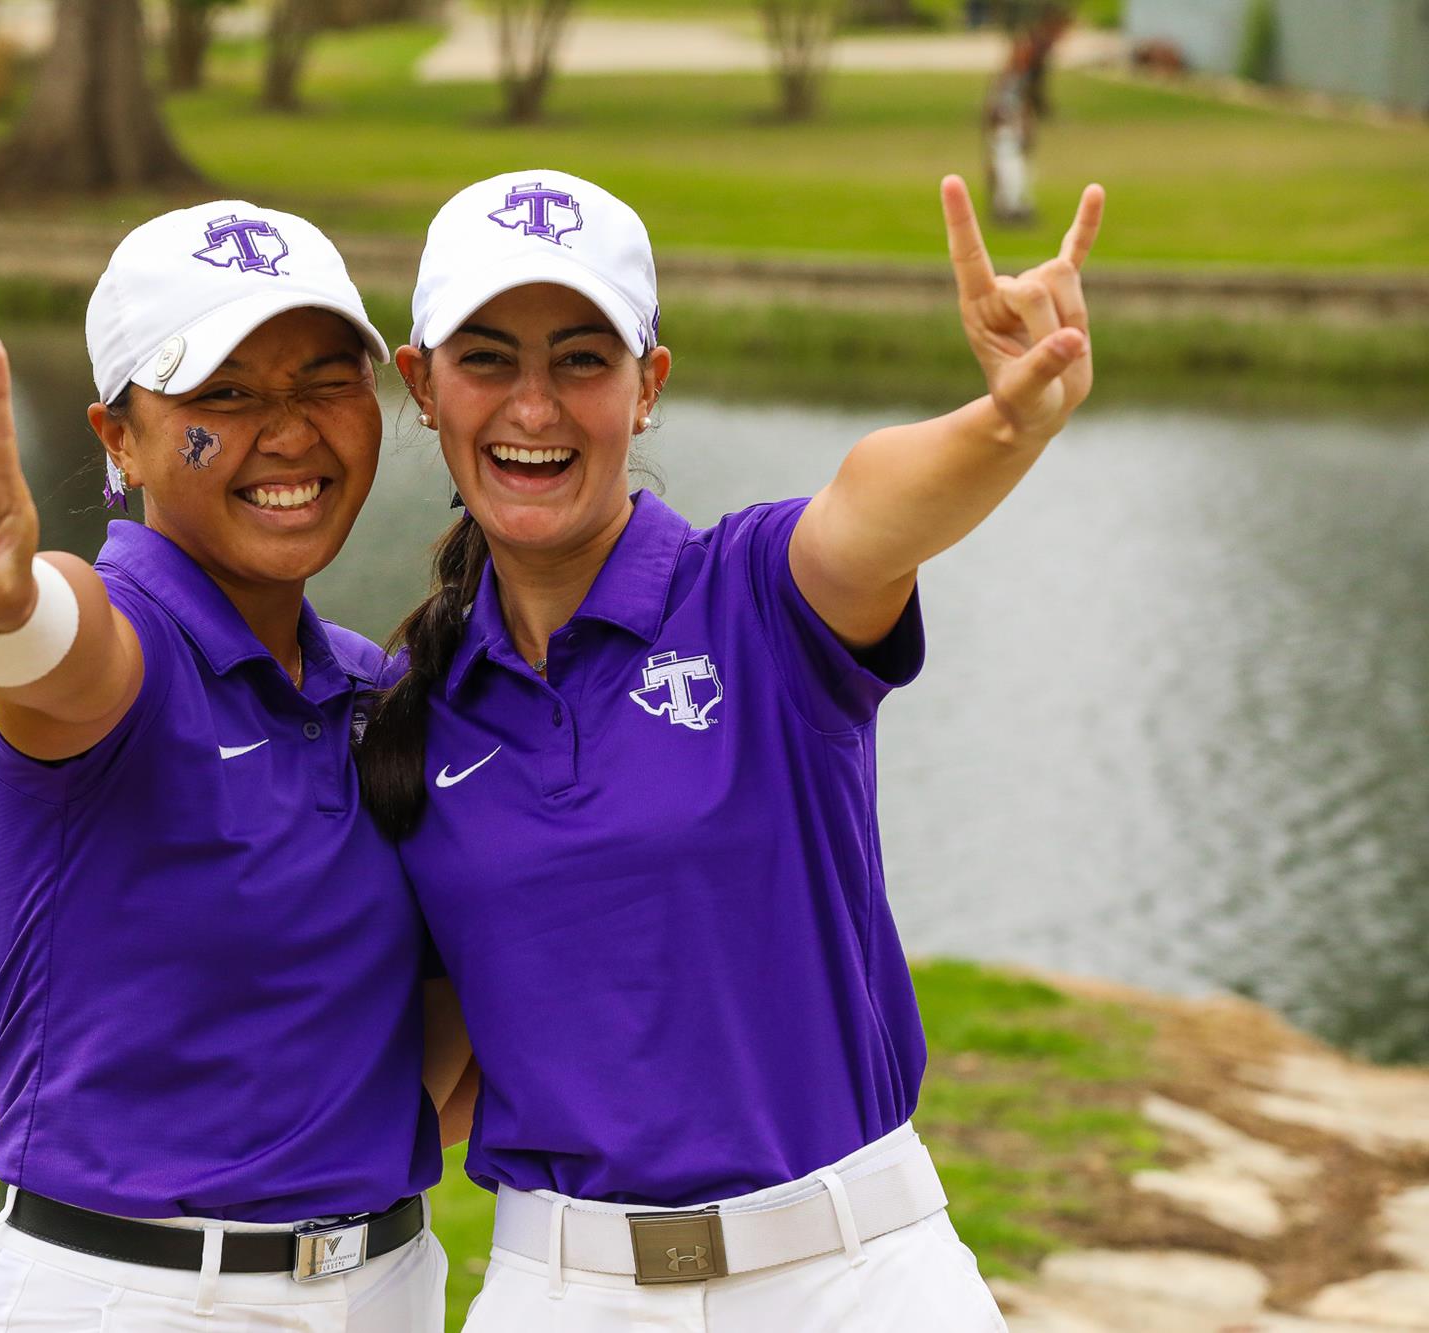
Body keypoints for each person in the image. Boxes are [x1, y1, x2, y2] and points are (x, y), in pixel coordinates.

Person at [358, 168, 1104, 1330]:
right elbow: (439, 1057)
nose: (532, 408)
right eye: (487, 359)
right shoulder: (410, 701)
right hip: (561, 1290)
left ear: (648, 384)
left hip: (852, 1279)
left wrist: (1007, 420)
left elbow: (870, 504)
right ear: (421, 385)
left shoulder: (755, 593)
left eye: (581, 360)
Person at [0, 201, 464, 1332]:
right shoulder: (123, 643)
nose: (286, 433)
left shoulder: (373, 690)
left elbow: (435, 1045)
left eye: (324, 381)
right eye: (222, 395)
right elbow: (54, 647)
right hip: (128, 1297)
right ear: (119, 439)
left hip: (382, 1286)